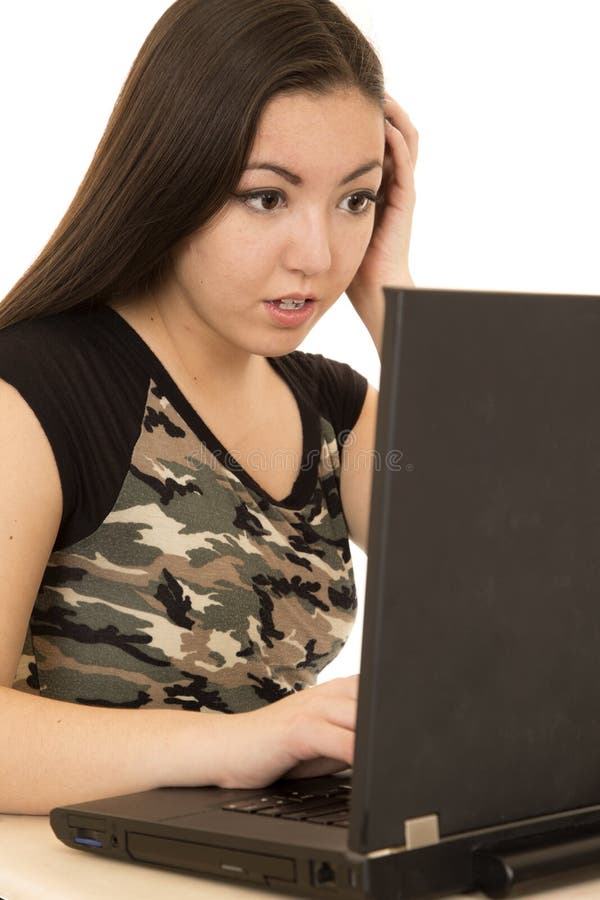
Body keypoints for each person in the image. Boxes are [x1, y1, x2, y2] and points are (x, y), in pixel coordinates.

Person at [0, 0, 417, 815]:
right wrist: (247, 745)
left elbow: (513, 575)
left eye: (354, 200)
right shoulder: (35, 395)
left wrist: (393, 294)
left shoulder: (335, 415)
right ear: (172, 178)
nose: (320, 255)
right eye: (267, 197)